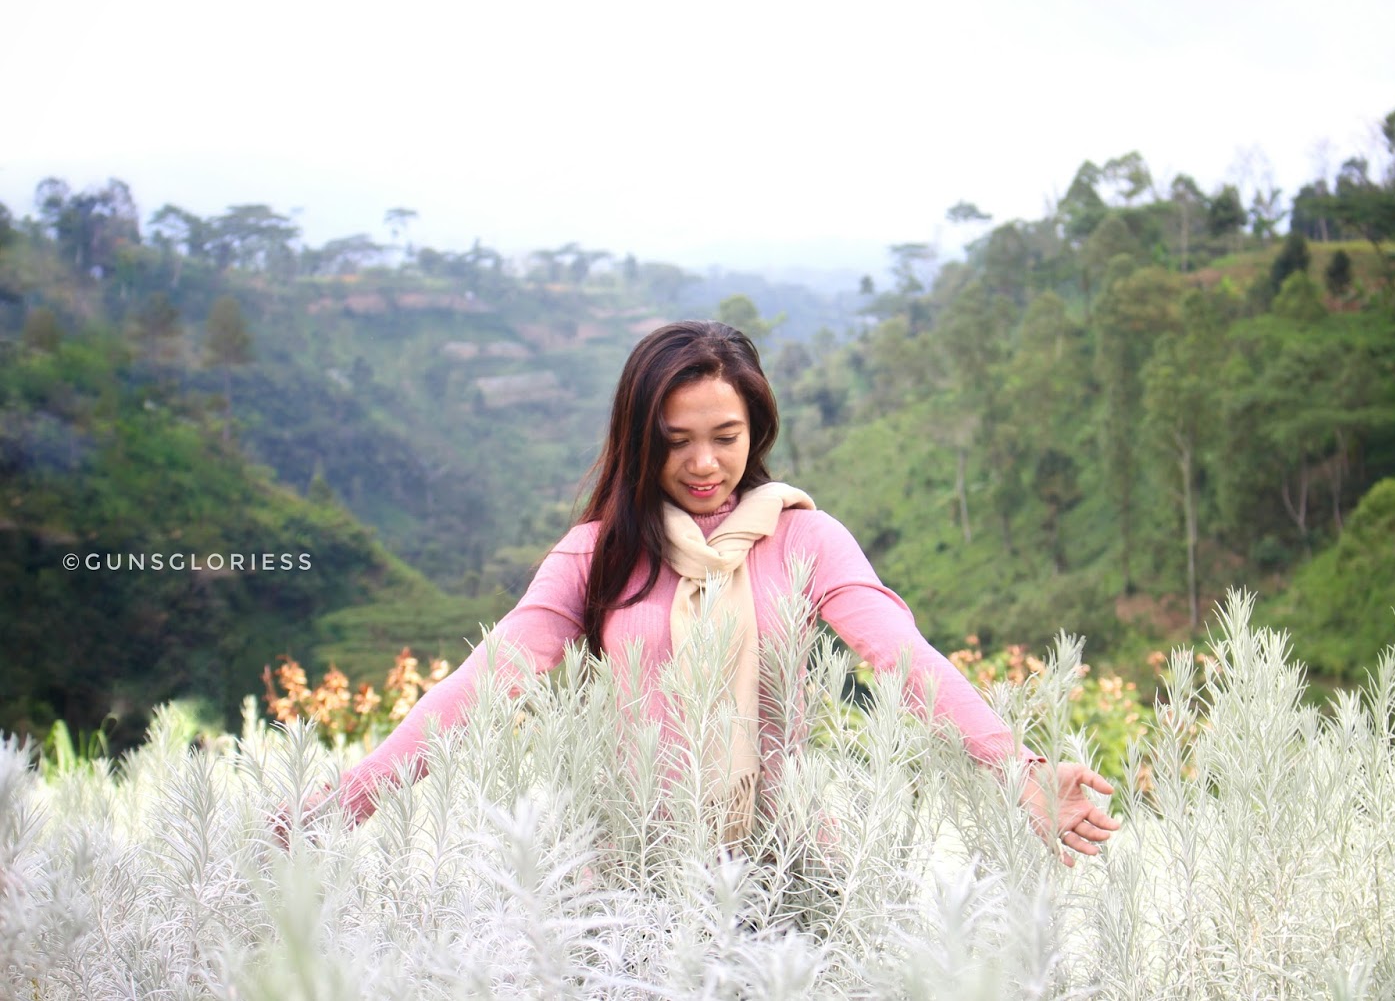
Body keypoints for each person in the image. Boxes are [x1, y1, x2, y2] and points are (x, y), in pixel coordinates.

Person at [323, 321, 1118, 864]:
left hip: (790, 864)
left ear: (756, 431)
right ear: (639, 443)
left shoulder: (803, 537)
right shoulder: (597, 555)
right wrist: (338, 806)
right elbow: (482, 683)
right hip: (633, 866)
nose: (705, 464)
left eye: (725, 438)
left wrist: (1020, 768)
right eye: (677, 442)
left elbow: (903, 657)